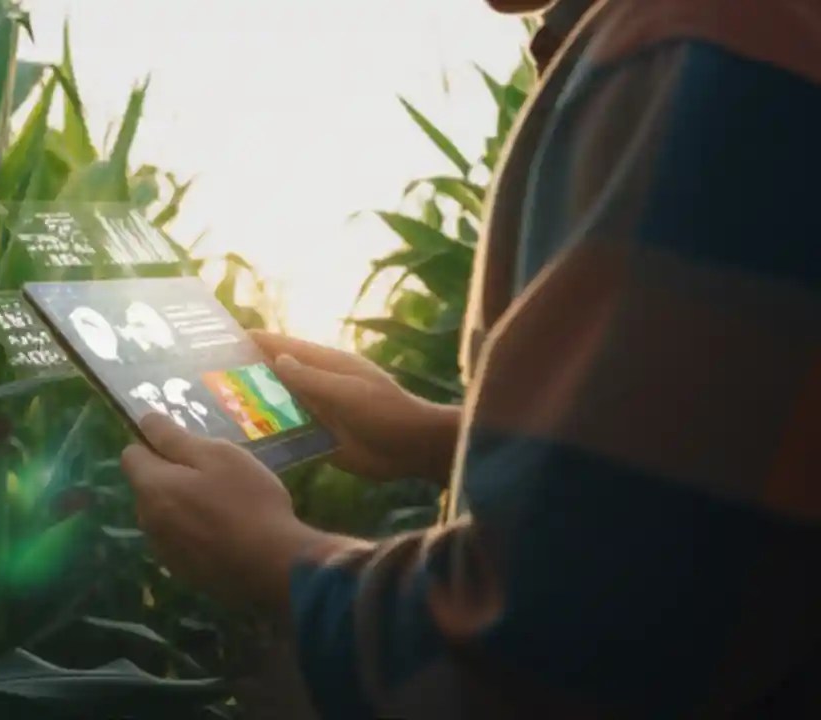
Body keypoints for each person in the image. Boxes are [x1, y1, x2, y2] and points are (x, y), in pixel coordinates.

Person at [120, 0, 821, 717]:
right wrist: (429, 435)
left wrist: (269, 555)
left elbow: (559, 645)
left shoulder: (699, 42)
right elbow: (715, 465)